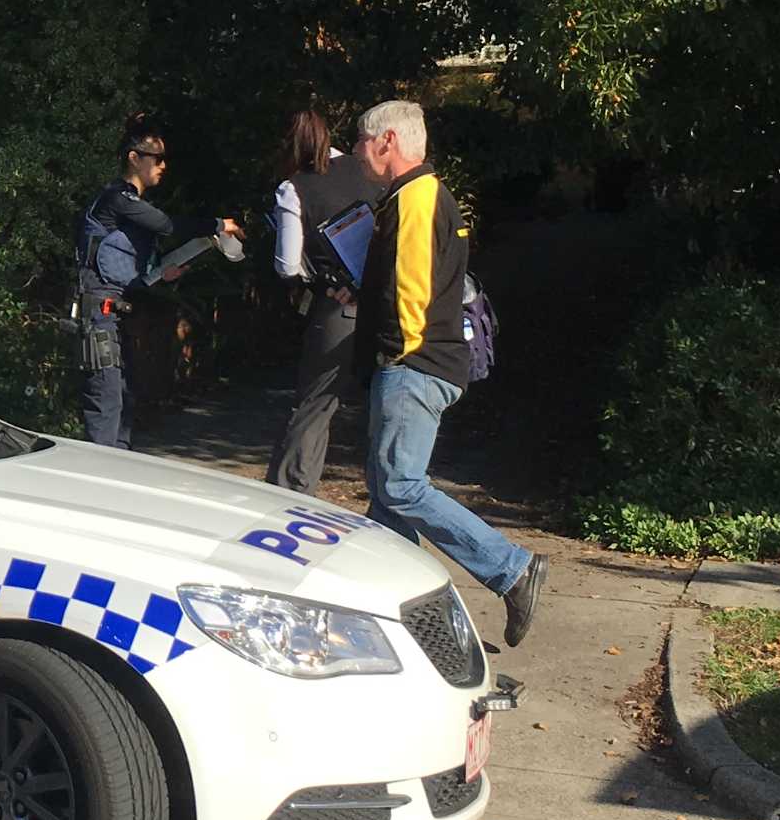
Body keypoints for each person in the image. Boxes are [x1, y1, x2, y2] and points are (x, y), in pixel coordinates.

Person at [351, 99, 548, 646]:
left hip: (414, 363)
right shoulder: (418, 196)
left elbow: (412, 286)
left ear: (387, 141)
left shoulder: (416, 196)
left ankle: (512, 569)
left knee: (399, 484)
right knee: (387, 503)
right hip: (422, 362)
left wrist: (398, 352)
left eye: (363, 143)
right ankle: (410, 622)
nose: (359, 155)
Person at [73, 116, 241, 451]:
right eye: (156, 158)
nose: (163, 166)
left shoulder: (130, 208)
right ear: (134, 158)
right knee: (106, 409)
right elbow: (166, 225)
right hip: (98, 316)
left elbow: (121, 270)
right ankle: (96, 491)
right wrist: (220, 224)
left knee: (124, 402)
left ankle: (118, 486)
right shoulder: (116, 198)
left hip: (116, 315)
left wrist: (158, 276)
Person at [268, 107, 383, 499]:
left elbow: (286, 264)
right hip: (388, 300)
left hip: (339, 306)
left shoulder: (293, 188)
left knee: (315, 404)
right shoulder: (361, 168)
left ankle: (289, 494)